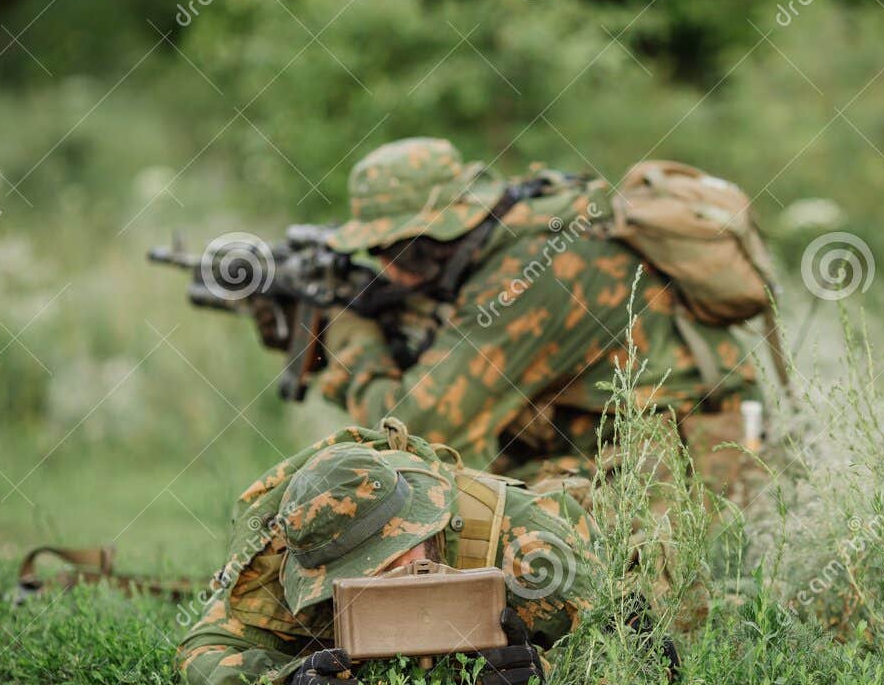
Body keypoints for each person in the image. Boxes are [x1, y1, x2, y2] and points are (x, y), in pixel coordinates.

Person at [313, 138, 766, 490]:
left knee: (477, 525)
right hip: (625, 441)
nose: (388, 269)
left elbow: (416, 435)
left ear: (443, 238)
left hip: (688, 464)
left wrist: (352, 337)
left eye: (398, 252)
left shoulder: (525, 277)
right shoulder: (523, 228)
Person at [175, 418, 597, 685]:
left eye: (391, 556)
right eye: (360, 573)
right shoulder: (303, 547)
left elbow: (637, 653)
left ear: (424, 528)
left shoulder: (526, 548)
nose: (386, 579)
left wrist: (544, 675)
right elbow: (203, 652)